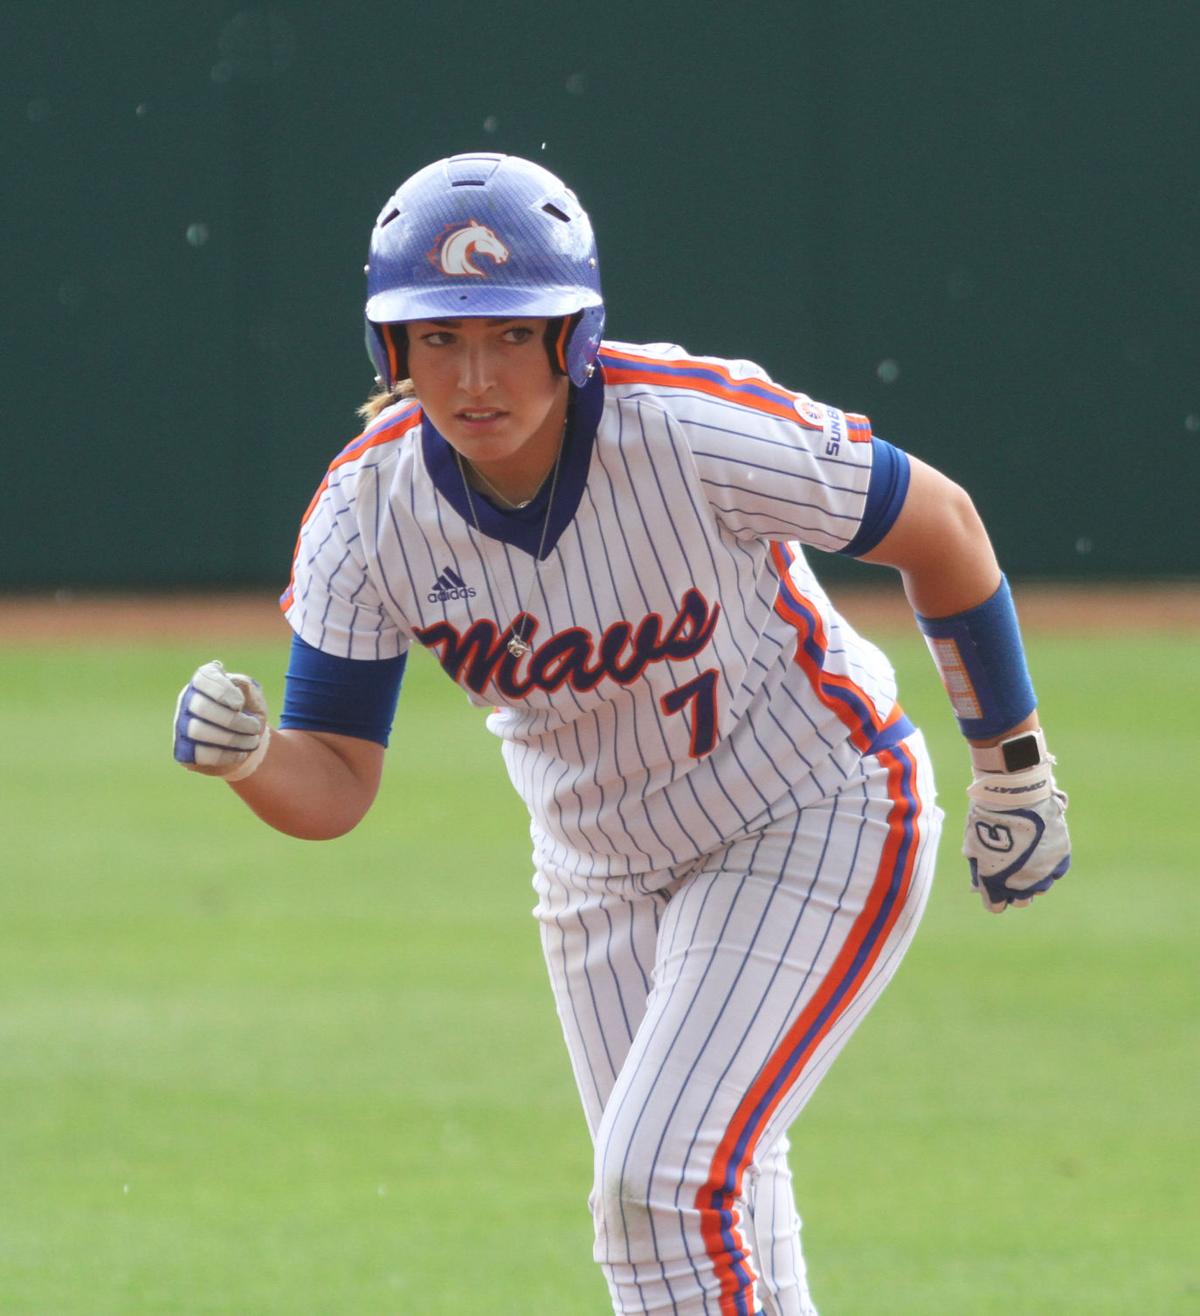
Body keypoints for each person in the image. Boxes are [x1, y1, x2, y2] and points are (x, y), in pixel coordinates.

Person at [173, 152, 1070, 1316]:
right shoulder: (366, 509)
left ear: (574, 333)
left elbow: (938, 524)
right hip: (595, 873)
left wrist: (1012, 768)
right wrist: (252, 760)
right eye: (439, 337)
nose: (476, 374)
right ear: (390, 350)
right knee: (678, 1212)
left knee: (657, 1185)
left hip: (811, 806)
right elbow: (337, 776)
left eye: (511, 331)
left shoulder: (691, 425)